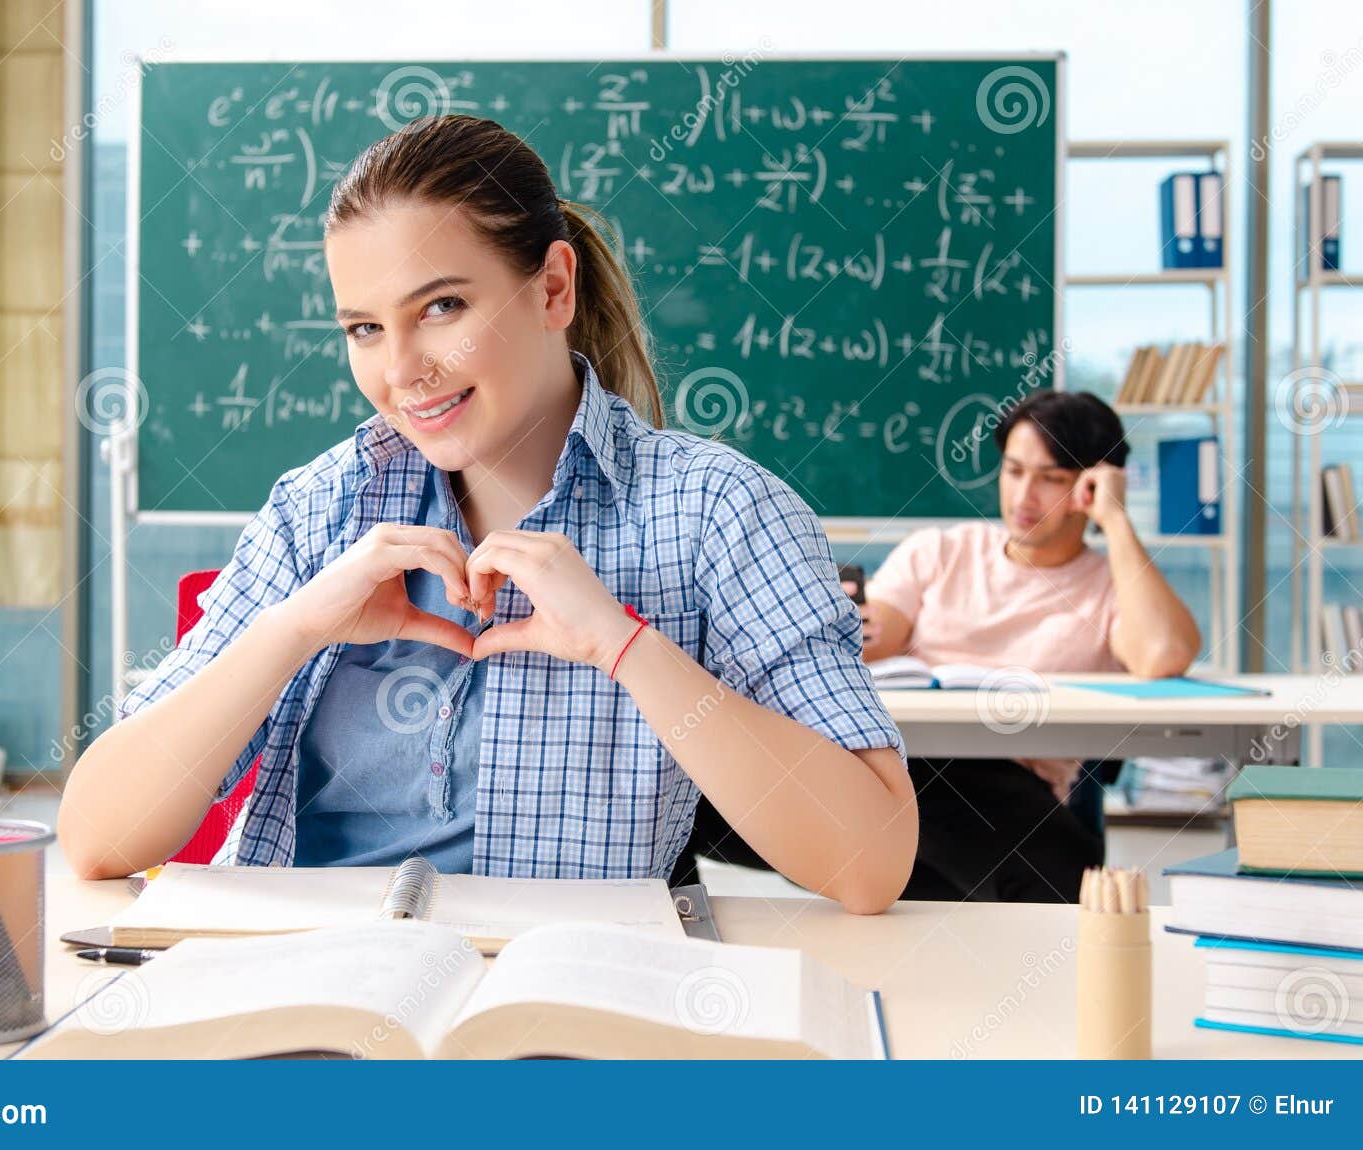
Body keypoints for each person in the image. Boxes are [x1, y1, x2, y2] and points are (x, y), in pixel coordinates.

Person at [59, 115, 916, 913]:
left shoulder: (718, 511)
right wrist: (297, 628)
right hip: (309, 999)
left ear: (551, 289)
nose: (402, 370)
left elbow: (870, 864)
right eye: (363, 328)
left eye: (441, 308)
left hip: (559, 1014)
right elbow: (97, 839)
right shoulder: (316, 512)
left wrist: (624, 645)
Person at [861, 390, 1202, 902]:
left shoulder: (1114, 587)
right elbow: (872, 638)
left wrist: (1117, 521)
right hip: (905, 758)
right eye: (1014, 471)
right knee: (706, 794)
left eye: (1051, 479)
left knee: (1051, 863)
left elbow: (1163, 654)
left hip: (1011, 788)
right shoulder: (940, 551)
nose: (1024, 497)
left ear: (1091, 485)